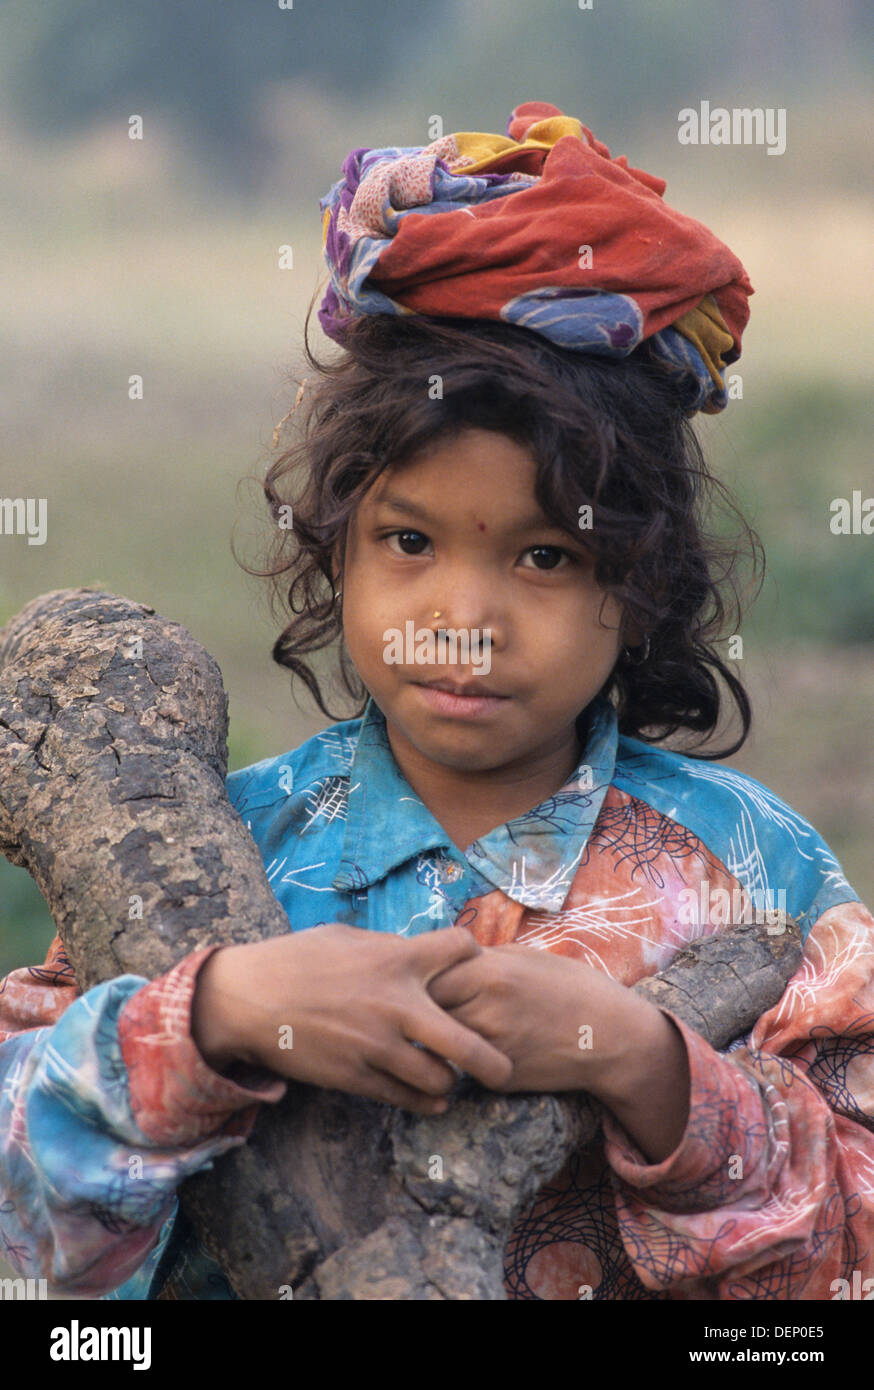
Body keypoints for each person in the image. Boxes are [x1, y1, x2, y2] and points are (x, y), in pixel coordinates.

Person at [1, 101, 872, 1302]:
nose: (463, 615)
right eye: (408, 539)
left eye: (544, 557)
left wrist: (647, 1067)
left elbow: (851, 1250)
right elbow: (28, 1246)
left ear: (644, 580)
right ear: (335, 553)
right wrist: (210, 1021)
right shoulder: (197, 866)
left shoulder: (757, 871)